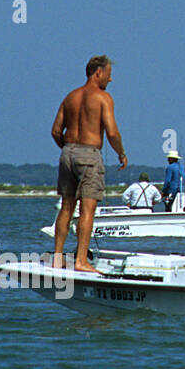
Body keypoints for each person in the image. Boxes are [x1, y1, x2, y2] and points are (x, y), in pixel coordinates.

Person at [51, 55, 128, 271]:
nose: (110, 80)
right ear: (98, 73)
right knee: (87, 209)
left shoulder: (70, 97)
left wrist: (68, 150)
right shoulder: (103, 98)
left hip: (67, 152)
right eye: (109, 75)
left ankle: (58, 258)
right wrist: (121, 154)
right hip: (89, 154)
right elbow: (112, 132)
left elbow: (56, 131)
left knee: (66, 206)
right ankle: (81, 261)